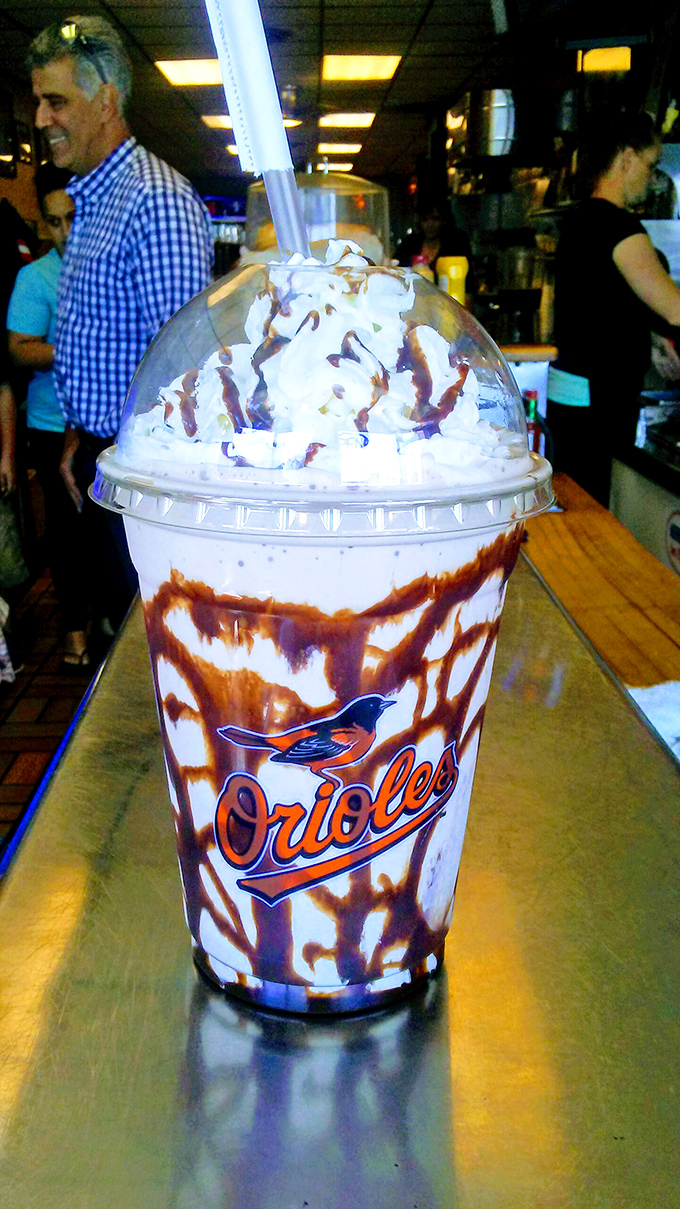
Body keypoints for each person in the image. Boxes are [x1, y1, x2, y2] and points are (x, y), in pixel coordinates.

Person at [27, 16, 213, 645]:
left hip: (145, 479)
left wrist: (135, 478)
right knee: (120, 641)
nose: (41, 119)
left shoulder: (153, 200)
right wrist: (81, 438)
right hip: (104, 459)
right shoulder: (95, 199)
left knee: (150, 654)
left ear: (105, 99)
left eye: (56, 101)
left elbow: (186, 375)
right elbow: (100, 340)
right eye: (38, 103)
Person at [547, 111, 680, 506]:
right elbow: (674, 308)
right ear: (626, 157)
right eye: (650, 165)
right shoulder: (618, 227)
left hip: (570, 394)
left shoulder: (579, 222)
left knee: (572, 500)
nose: (652, 178)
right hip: (603, 406)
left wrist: (652, 338)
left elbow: (602, 302)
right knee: (595, 510)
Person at [7, 162, 92, 671]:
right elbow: (18, 349)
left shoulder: (103, 266)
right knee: (66, 535)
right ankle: (75, 630)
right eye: (53, 222)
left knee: (106, 530)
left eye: (72, 219)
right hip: (48, 421)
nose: (64, 232)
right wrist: (78, 346)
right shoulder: (35, 276)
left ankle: (106, 619)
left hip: (101, 421)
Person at [395, 202, 473, 278]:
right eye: (425, 219)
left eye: (435, 219)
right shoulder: (409, 244)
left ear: (444, 221)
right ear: (419, 222)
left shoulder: (456, 245)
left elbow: (468, 278)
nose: (430, 225)